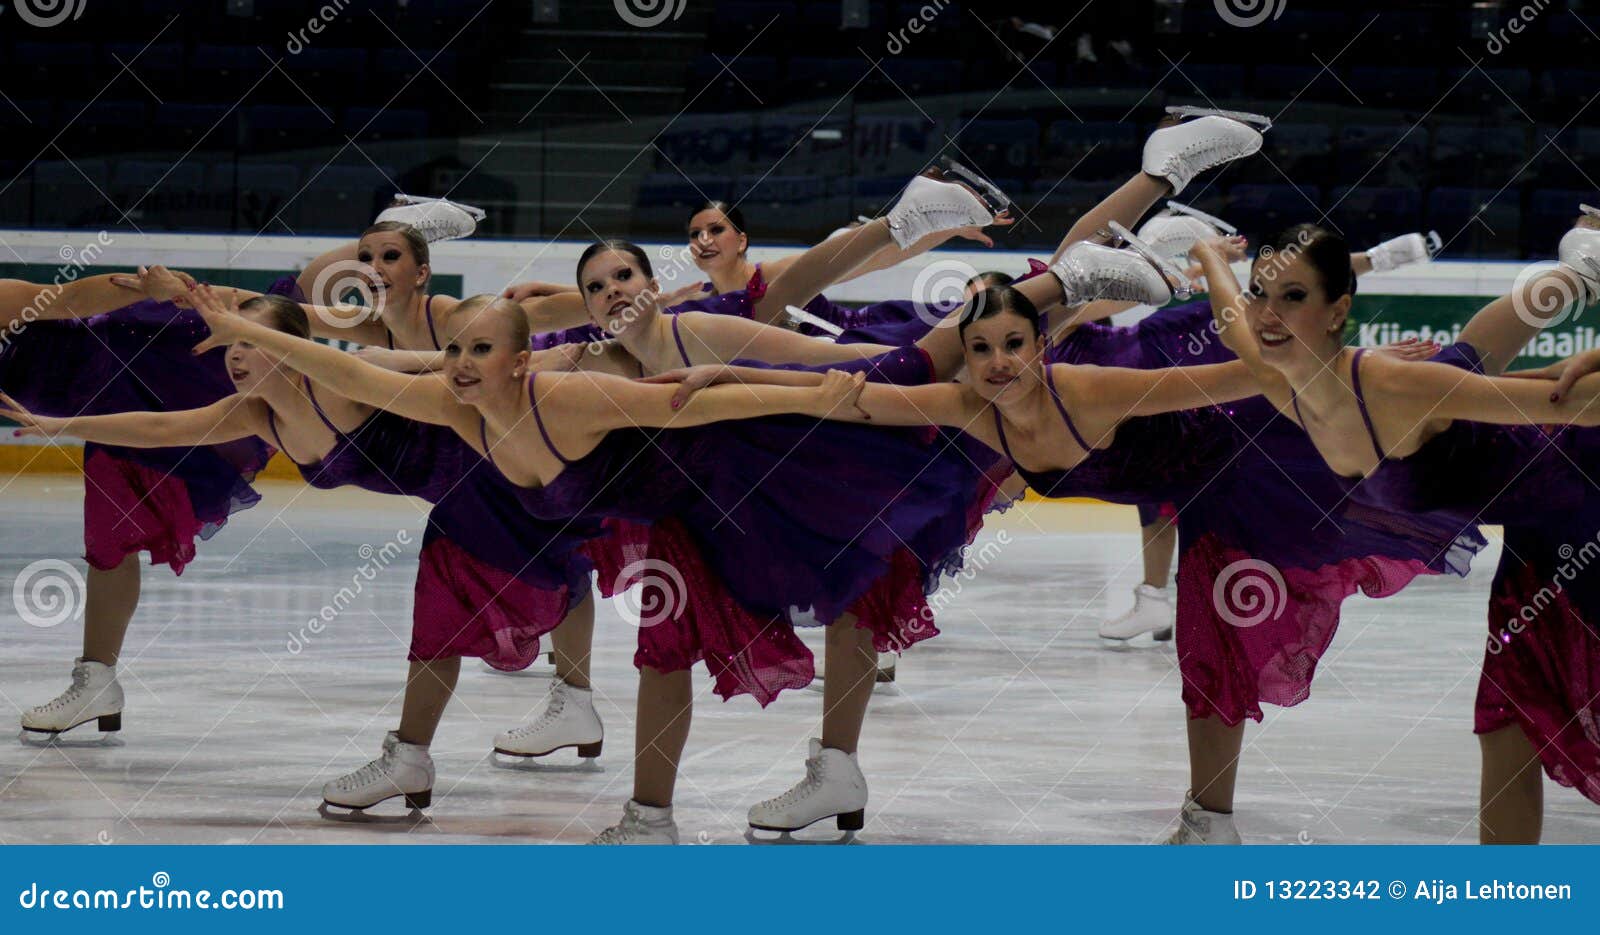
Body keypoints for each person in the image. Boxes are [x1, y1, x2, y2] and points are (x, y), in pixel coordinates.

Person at [1193, 216, 1600, 844]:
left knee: (1543, 709)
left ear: (1337, 312)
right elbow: (1234, 316)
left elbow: (1575, 408)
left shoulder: (1390, 384)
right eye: (1260, 294)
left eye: (1293, 297)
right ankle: (1582, 272)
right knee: (1507, 720)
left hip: (1579, 497)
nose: (1268, 314)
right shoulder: (1279, 375)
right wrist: (1209, 254)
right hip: (1529, 517)